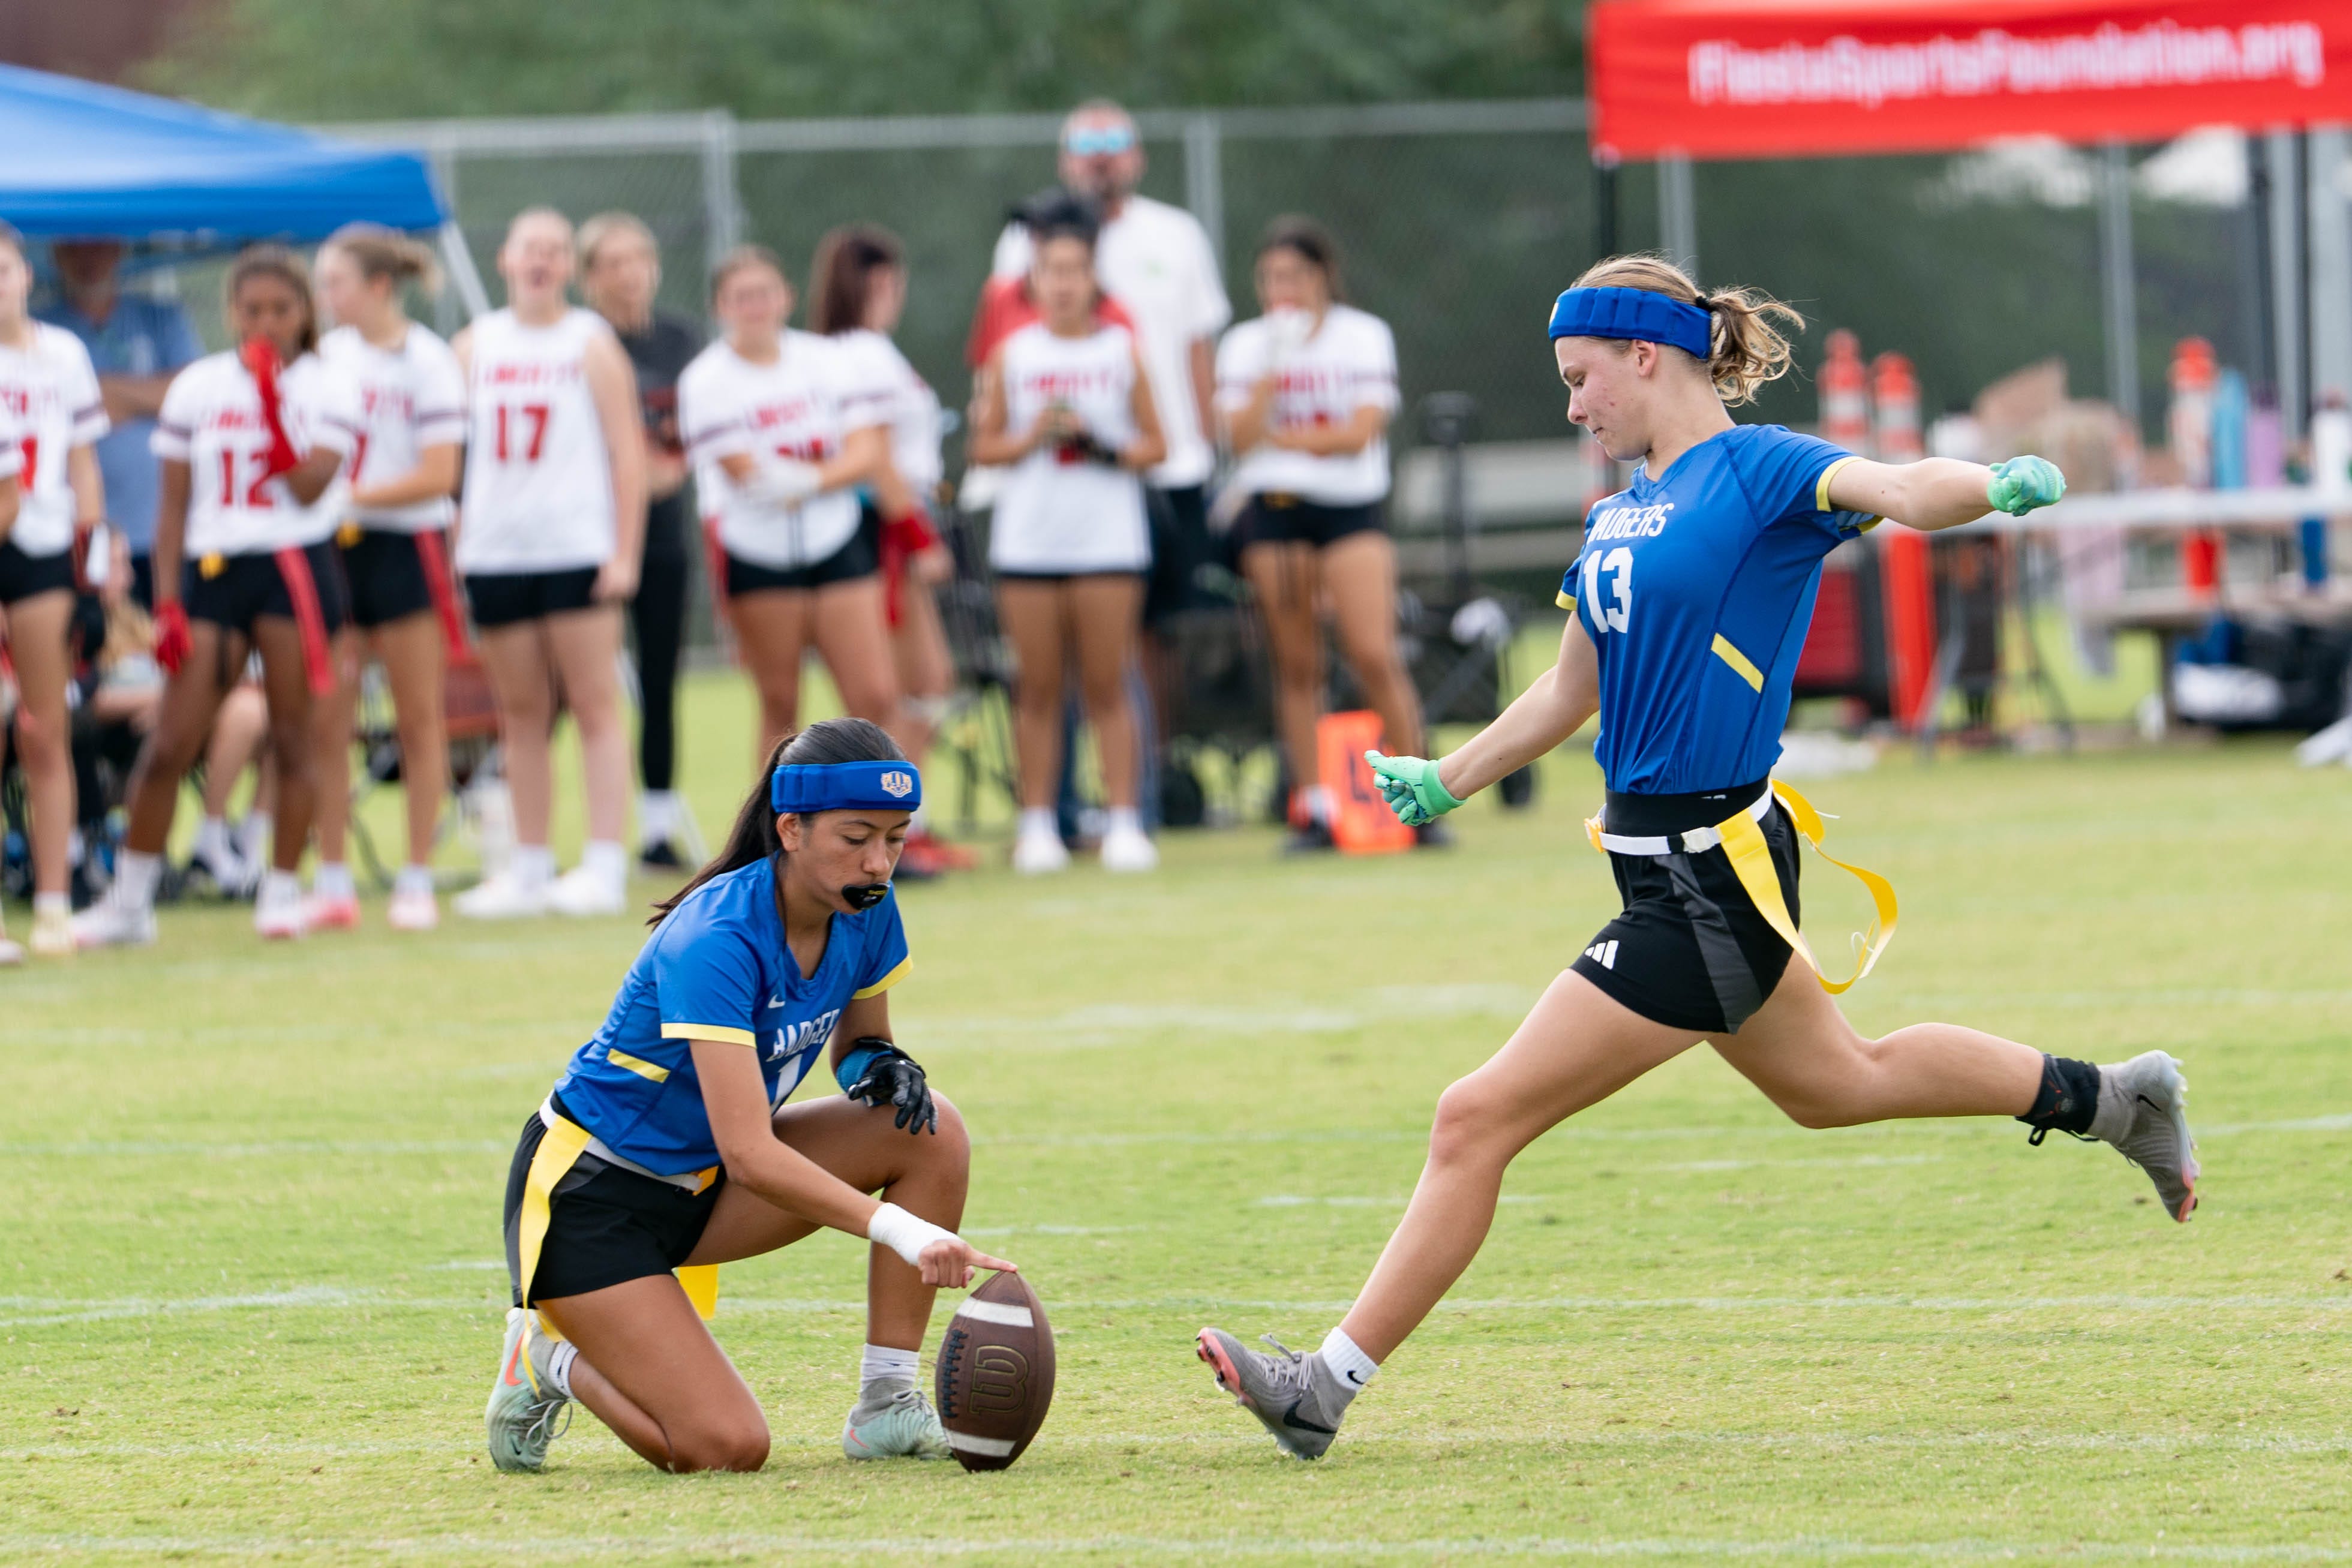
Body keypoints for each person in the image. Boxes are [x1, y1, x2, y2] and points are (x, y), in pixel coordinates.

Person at [1193, 256, 2196, 1461]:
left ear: (1643, 356)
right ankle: (2112, 1097)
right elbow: (1573, 685)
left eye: (1579, 381)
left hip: (1705, 878)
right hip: (1662, 867)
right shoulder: (1614, 512)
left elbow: (1898, 482)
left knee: (1473, 1116)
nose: (1572, 408)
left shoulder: (1758, 470)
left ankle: (1322, 1385)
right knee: (1841, 1084)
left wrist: (1992, 481)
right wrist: (1444, 774)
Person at [483, 717, 1013, 1474]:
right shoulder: (717, 937)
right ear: (790, 829)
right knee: (725, 1447)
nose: (879, 862)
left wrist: (880, 1066)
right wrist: (903, 1230)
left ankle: (887, 1404)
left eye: (896, 838)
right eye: (856, 836)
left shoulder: (864, 905)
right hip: (593, 1199)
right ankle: (545, 1355)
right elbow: (750, 1151)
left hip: (702, 1184)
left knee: (930, 1129)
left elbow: (858, 1044)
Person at [74, 245, 359, 947]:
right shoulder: (198, 385)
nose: (265, 322)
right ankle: (130, 901)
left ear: (304, 314)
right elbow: (172, 507)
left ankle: (282, 891)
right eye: (252, 309)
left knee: (292, 734)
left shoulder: (331, 384)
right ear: (232, 310)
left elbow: (308, 486)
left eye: (280, 309)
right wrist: (168, 600)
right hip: (214, 569)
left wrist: (269, 397)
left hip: (294, 567)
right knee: (171, 739)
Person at [452, 208, 648, 920]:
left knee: (596, 703)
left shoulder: (588, 343)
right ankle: (529, 866)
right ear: (506, 257)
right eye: (530, 247)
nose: (541, 260)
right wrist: (456, 539)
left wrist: (623, 552)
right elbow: (450, 456)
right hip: (496, 551)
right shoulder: (474, 346)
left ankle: (603, 861)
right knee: (519, 711)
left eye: (557, 250)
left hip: (575, 547)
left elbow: (628, 451)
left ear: (570, 266)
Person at [966, 196, 1166, 874]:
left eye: (1075, 269)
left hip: (1108, 541)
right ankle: (1038, 823)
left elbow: (1156, 444)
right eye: (1051, 270)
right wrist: (1030, 436)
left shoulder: (1120, 350)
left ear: (1093, 278)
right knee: (1039, 688)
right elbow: (984, 447)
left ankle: (1125, 820)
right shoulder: (1012, 353)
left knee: (1109, 684)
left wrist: (1101, 442)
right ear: (1034, 279)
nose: (1063, 283)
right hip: (1029, 543)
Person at [1215, 218, 1426, 853]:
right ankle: (1312, 806)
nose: (1283, 289)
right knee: (1297, 663)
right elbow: (1238, 436)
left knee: (1371, 650)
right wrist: (1273, 372)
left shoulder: (1361, 336)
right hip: (1276, 513)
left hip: (1349, 509)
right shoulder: (1247, 345)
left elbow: (1357, 434)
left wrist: (1287, 439)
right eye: (1271, 277)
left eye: (1296, 276)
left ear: (1323, 276)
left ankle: (1424, 797)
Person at [990, 101, 1230, 635]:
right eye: (1086, 149)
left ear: (1137, 158)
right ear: (1063, 161)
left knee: (1164, 630)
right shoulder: (1023, 240)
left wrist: (1207, 448)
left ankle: (1158, 724)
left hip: (1167, 463)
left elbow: (1197, 347)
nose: (1100, 162)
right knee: (1057, 639)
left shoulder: (1177, 233)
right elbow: (1002, 347)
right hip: (1057, 471)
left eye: (1112, 147)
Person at [677, 246, 894, 764]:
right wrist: (809, 475)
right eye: (741, 297)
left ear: (787, 298)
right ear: (720, 306)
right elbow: (744, 472)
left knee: (874, 694)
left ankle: (887, 825)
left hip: (836, 537)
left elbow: (866, 450)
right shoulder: (706, 379)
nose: (755, 306)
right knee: (780, 703)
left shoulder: (825, 359)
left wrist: (807, 479)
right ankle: (776, 832)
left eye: (765, 293)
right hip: (758, 550)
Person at [311, 224, 467, 933]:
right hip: (335, 551)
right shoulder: (322, 359)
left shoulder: (426, 360)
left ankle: (414, 876)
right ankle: (333, 876)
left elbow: (440, 472)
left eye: (335, 281)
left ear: (378, 285)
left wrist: (355, 496)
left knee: (418, 715)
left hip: (405, 548)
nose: (323, 296)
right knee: (330, 714)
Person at [807, 223, 972, 879]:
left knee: (921, 684)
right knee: (915, 683)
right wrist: (919, 538)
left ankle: (907, 825)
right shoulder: (858, 356)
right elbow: (877, 463)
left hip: (896, 525)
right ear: (881, 282)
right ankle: (892, 832)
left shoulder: (861, 351)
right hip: (885, 534)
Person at [578, 213, 705, 875]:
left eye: (639, 258)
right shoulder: (581, 342)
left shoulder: (682, 338)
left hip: (660, 533)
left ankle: (657, 825)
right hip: (587, 532)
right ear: (590, 276)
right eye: (614, 261)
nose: (630, 273)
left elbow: (699, 424)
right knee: (574, 685)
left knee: (659, 676)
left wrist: (670, 466)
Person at [0, 221, 108, 957]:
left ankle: (54, 901)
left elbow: (83, 464)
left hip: (41, 548)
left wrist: (92, 560)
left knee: (46, 727)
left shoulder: (61, 354)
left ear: (26, 274)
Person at [40, 239, 205, 610]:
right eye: (75, 248)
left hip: (162, 529)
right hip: (79, 532)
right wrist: (149, 395)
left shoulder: (162, 316)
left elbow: (191, 396)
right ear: (56, 256)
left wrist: (101, 390)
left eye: (98, 246)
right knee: (102, 650)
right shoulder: (43, 329)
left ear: (118, 251)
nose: (88, 257)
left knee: (171, 645)